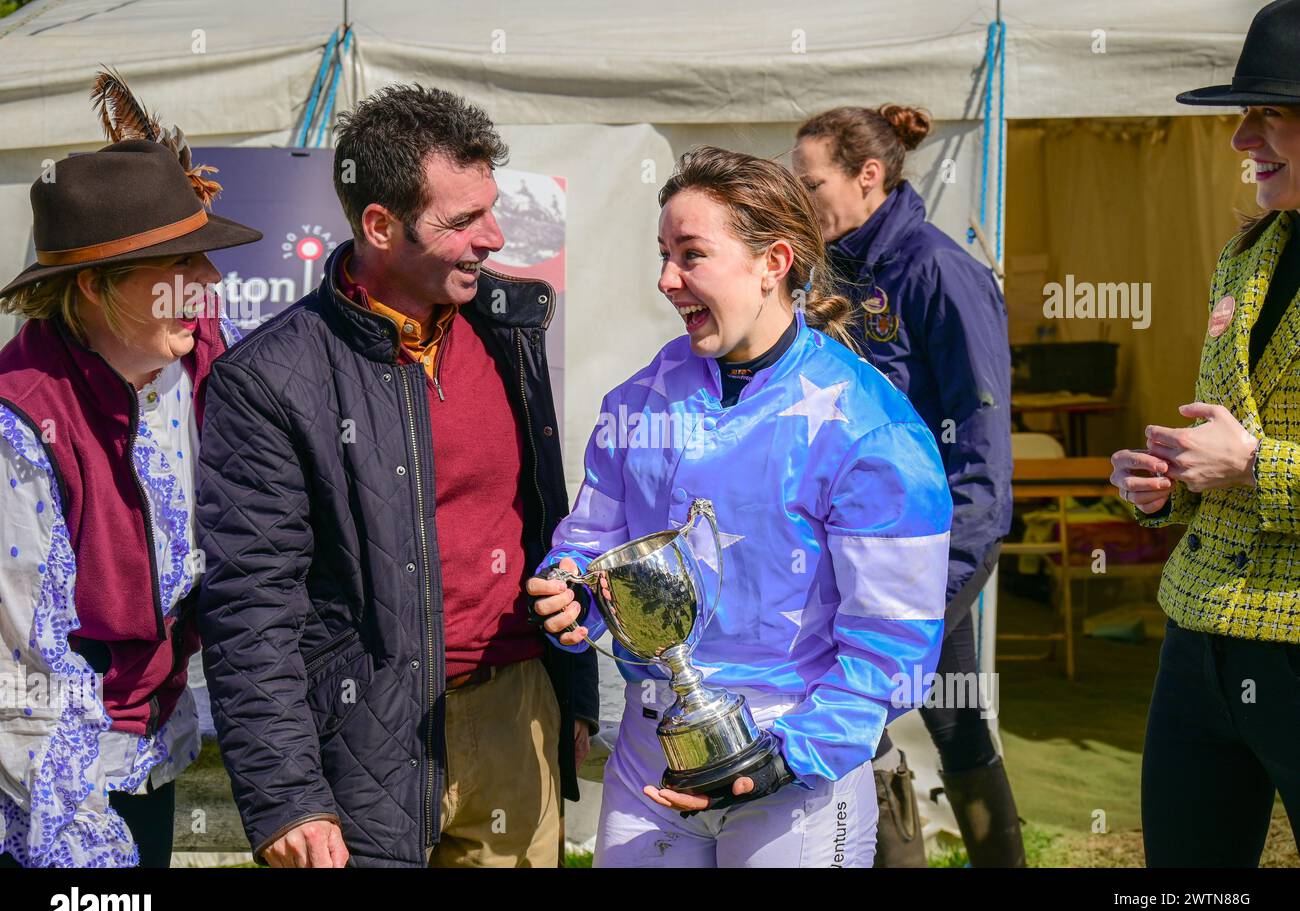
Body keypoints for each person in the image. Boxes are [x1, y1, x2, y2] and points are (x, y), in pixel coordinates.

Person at [196, 85, 598, 868]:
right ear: (379, 225)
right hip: (359, 736)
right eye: (463, 221)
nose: (494, 237)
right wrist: (286, 794)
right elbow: (250, 601)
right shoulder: (268, 379)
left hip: (520, 715)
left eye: (491, 208)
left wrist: (568, 692)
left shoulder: (512, 326)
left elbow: (548, 524)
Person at [525, 146, 951, 868]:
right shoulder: (637, 402)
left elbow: (894, 641)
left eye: (692, 254)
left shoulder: (871, 425)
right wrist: (572, 591)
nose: (666, 279)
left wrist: (788, 759)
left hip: (798, 761)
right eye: (663, 253)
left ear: (772, 262)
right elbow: (593, 544)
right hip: (652, 748)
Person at [0, 73, 263, 867]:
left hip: (150, 747)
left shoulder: (200, 355)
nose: (210, 284)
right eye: (181, 264)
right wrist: (86, 846)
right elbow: (20, 678)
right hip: (42, 776)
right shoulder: (21, 426)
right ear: (94, 288)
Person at [793, 105, 1020, 867]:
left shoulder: (937, 270)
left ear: (868, 176)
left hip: (926, 552)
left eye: (810, 180)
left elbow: (983, 439)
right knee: (922, 718)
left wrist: (946, 574)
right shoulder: (826, 268)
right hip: (849, 546)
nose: (798, 196)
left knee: (917, 715)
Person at [1109, 0, 1300, 867]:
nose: (1241, 139)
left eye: (1268, 114)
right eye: (1242, 114)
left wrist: (1255, 466)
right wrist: (1169, 478)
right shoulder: (1245, 254)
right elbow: (1220, 434)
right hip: (1201, 635)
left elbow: (1250, 455)